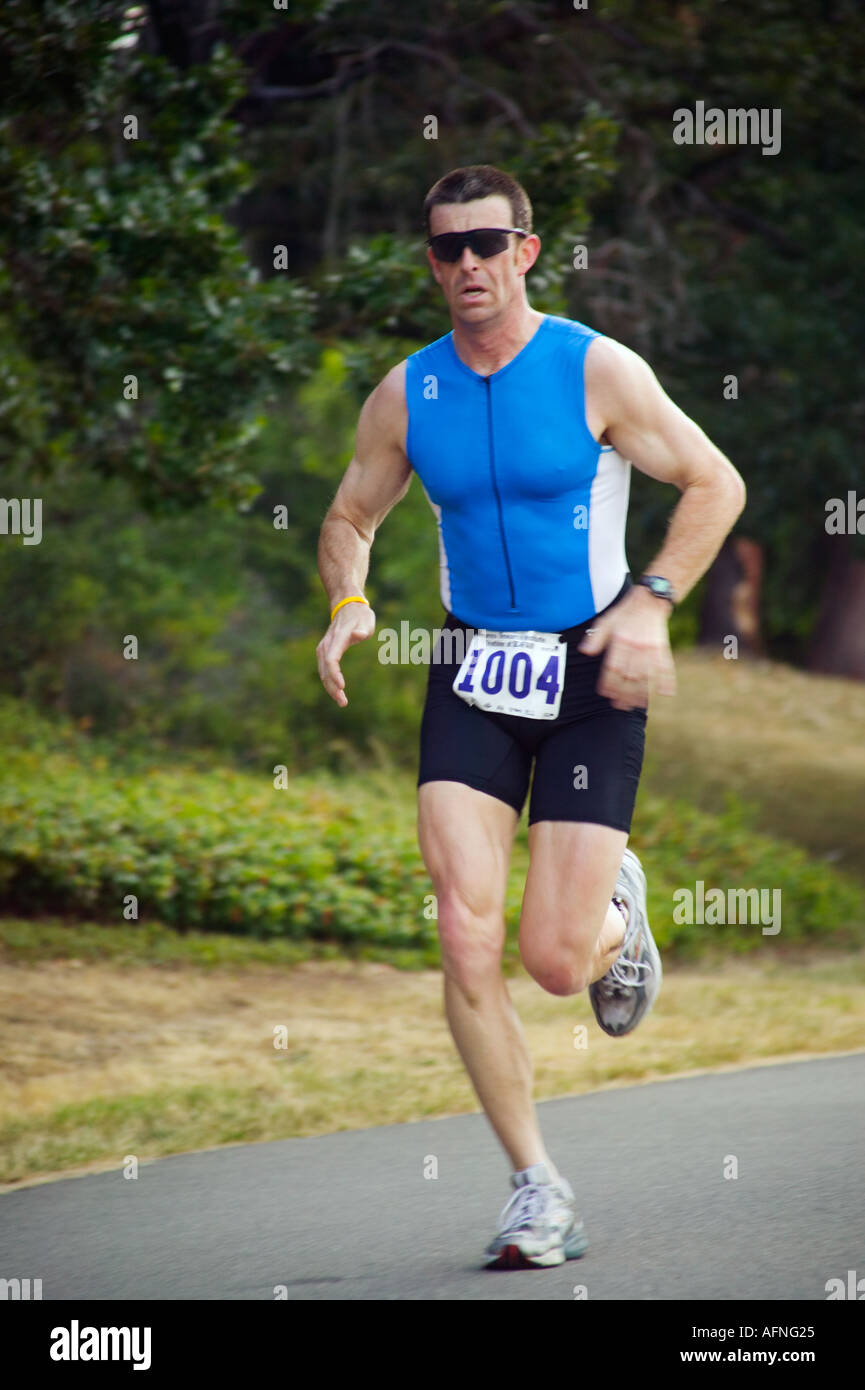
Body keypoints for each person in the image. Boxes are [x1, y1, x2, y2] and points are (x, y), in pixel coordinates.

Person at [316, 165, 746, 1270]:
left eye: (487, 244)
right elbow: (352, 514)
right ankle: (535, 1189)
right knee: (463, 932)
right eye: (446, 248)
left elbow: (714, 482)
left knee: (553, 962)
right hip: (470, 667)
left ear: (525, 251)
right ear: (431, 262)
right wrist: (349, 605)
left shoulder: (594, 368)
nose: (467, 264)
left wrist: (651, 604)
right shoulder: (407, 392)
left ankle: (613, 918)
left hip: (591, 668)